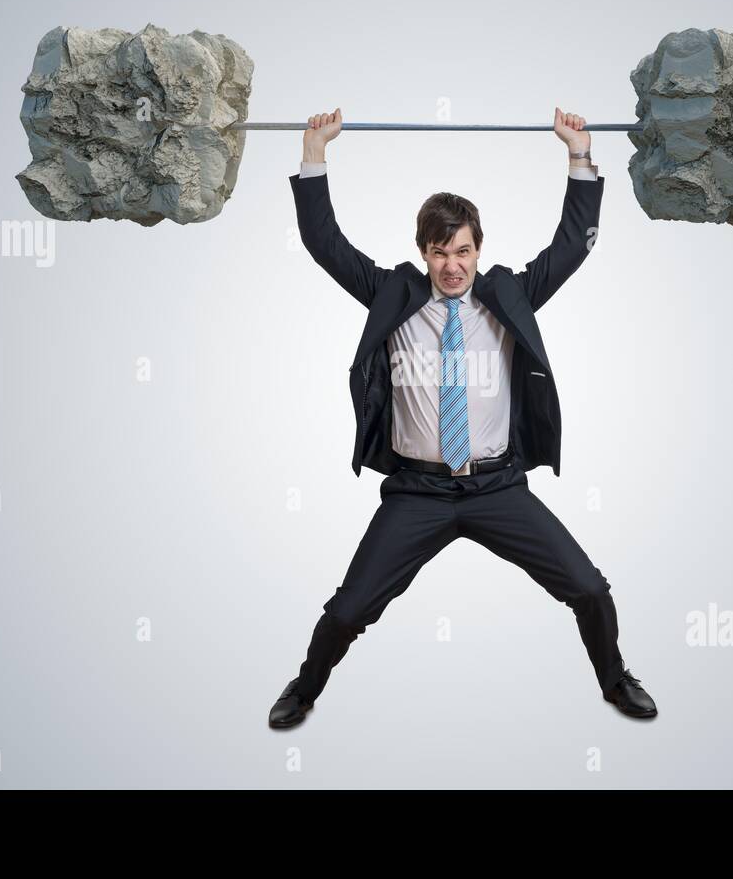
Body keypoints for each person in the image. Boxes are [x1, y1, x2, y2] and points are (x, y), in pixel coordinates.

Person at [270, 106, 655, 726]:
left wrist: (578, 156)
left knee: (588, 587)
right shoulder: (391, 293)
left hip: (497, 486)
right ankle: (304, 688)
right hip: (417, 491)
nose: (453, 265)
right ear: (423, 251)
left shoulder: (508, 295)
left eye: (464, 251)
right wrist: (314, 152)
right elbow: (323, 243)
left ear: (479, 250)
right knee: (348, 610)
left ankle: (614, 681)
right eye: (440, 251)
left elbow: (573, 247)